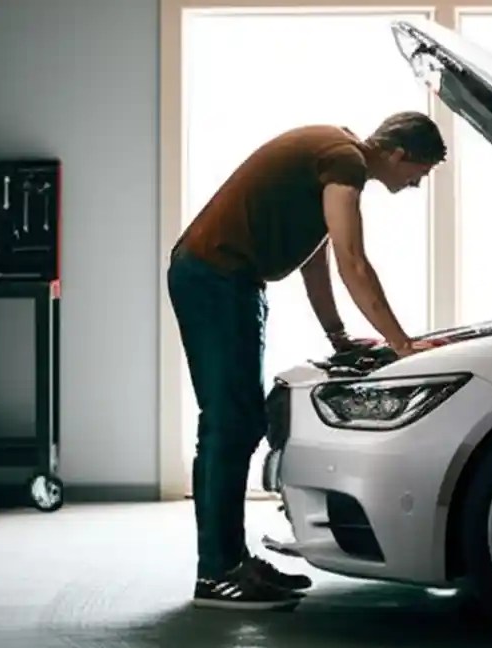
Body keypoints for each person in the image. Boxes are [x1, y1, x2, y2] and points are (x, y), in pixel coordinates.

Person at [167, 111, 448, 610]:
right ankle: (215, 572)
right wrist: (402, 344)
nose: (416, 184)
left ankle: (232, 559)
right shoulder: (346, 163)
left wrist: (338, 336)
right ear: (400, 155)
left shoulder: (333, 154)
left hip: (225, 278)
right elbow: (352, 260)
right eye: (419, 173)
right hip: (214, 276)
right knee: (229, 424)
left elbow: (313, 258)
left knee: (239, 421)